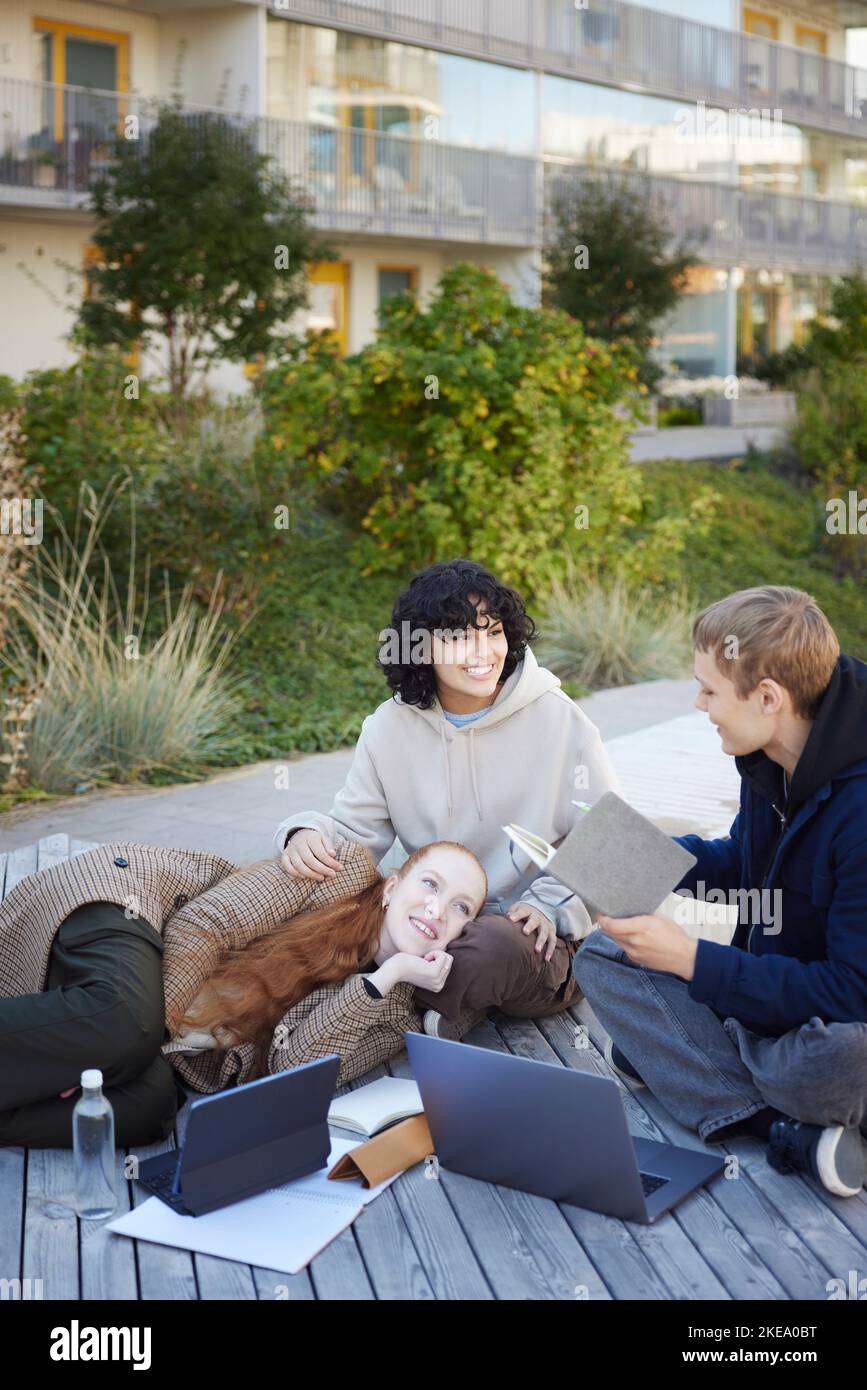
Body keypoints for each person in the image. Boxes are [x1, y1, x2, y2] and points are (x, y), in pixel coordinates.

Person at [574, 585, 867, 1197]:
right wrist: (632, 856)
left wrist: (689, 960)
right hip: (770, 994)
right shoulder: (769, 756)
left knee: (837, 1062)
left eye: (709, 689)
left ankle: (688, 1059)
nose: (699, 704)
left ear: (768, 697)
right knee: (601, 955)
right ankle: (783, 1125)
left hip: (836, 1027)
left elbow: (851, 993)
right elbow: (743, 861)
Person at [276, 557, 621, 1039]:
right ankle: (415, 997)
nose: (484, 652)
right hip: (432, 922)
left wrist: (551, 904)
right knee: (312, 886)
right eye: (459, 637)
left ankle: (383, 997)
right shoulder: (389, 727)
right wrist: (305, 833)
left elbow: (613, 842)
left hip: (526, 937)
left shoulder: (561, 721)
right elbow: (356, 838)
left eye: (494, 631)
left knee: (490, 947)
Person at [0, 835, 485, 1148]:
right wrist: (137, 1040)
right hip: (132, 903)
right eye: (430, 884)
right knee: (125, 1023)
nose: (437, 909)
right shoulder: (344, 872)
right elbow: (201, 924)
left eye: (461, 908)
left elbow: (292, 1068)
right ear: (392, 886)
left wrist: (383, 979)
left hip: (134, 1026)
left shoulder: (391, 1011)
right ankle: (108, 1039)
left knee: (146, 1111)